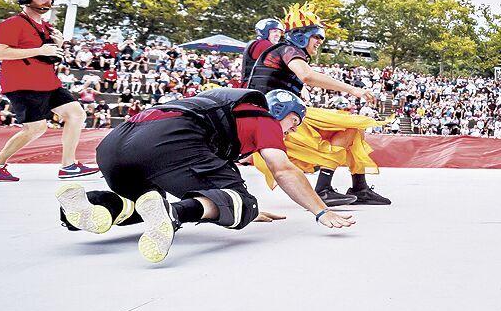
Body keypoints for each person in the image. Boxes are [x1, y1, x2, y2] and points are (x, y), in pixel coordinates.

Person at [54, 88, 355, 264]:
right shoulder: (263, 118)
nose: (290, 131)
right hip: (171, 138)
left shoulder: (217, 106)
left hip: (116, 145)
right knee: (243, 205)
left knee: (143, 202)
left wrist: (219, 200)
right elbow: (282, 167)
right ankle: (174, 215)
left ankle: (91, 207)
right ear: (288, 115)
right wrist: (320, 210)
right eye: (294, 124)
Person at [246, 4, 390, 205]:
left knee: (353, 129)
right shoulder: (288, 50)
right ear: (301, 36)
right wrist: (353, 89)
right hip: (273, 118)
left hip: (278, 115)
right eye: (317, 37)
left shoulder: (288, 52)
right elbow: (307, 76)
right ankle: (323, 189)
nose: (319, 42)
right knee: (351, 125)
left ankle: (359, 187)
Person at [0, 0, 98, 183]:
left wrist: (57, 45)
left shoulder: (46, 27)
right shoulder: (12, 23)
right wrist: (40, 50)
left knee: (76, 114)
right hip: (23, 84)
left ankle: (68, 165)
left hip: (48, 82)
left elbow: (49, 55)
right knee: (36, 128)